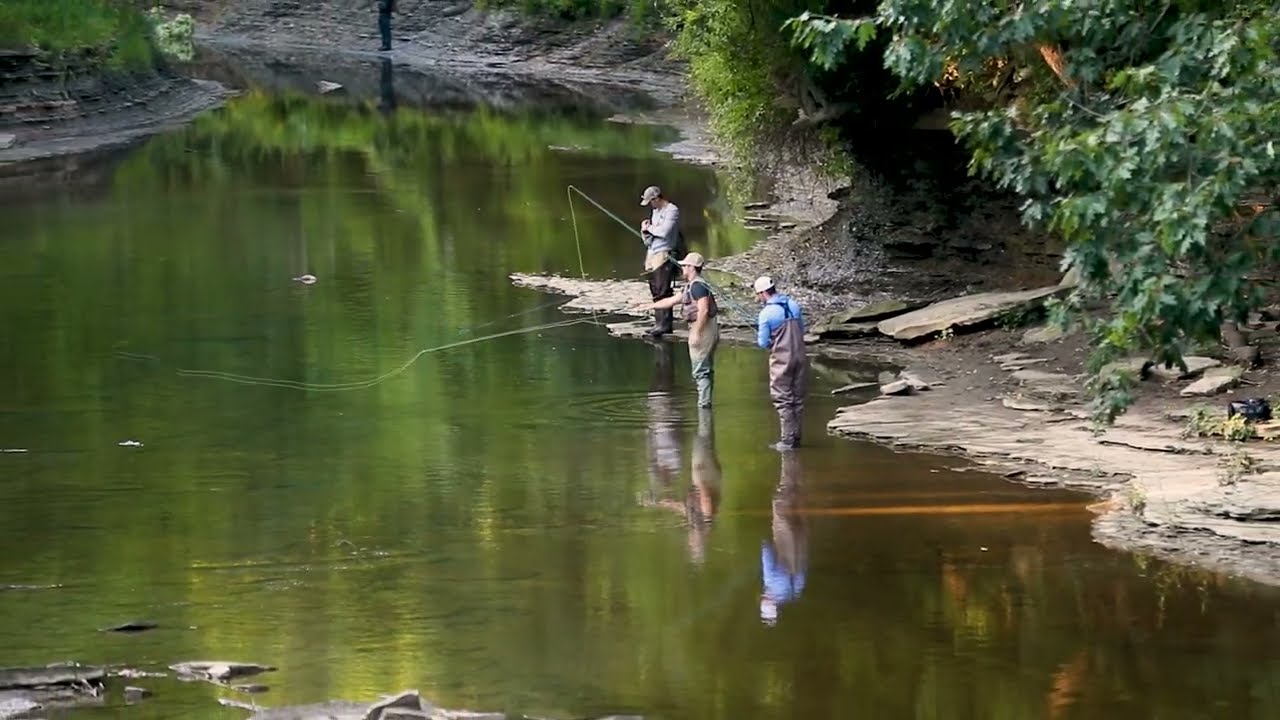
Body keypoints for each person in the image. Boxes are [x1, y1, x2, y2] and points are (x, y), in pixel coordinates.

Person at [641, 252, 719, 409]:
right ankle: (705, 404)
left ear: (691, 267)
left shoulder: (697, 286)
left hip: (704, 329)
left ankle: (704, 407)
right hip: (705, 328)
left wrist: (696, 332)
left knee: (700, 371)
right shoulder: (691, 285)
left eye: (684, 265)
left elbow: (703, 310)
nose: (682, 268)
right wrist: (648, 305)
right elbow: (672, 300)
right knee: (704, 370)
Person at [754, 276, 807, 450]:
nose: (757, 298)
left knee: (783, 398)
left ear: (763, 293)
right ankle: (796, 437)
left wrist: (771, 340)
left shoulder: (766, 314)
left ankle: (787, 441)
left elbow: (763, 343)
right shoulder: (794, 305)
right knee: (797, 399)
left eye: (758, 295)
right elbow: (802, 329)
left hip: (781, 361)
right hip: (800, 357)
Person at [760, 452, 807, 627]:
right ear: (767, 599)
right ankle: (789, 455)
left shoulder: (795, 592)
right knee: (781, 498)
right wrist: (764, 544)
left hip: (801, 538)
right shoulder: (771, 583)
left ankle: (796, 461)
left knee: (797, 493)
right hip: (784, 534)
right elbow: (767, 555)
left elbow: (803, 570)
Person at [639, 185, 681, 337]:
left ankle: (665, 325)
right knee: (655, 290)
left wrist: (650, 228)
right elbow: (649, 240)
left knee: (663, 290)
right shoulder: (654, 212)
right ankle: (658, 323)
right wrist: (645, 231)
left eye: (651, 201)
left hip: (665, 254)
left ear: (657, 198)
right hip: (652, 254)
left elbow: (663, 232)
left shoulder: (672, 210)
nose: (650, 205)